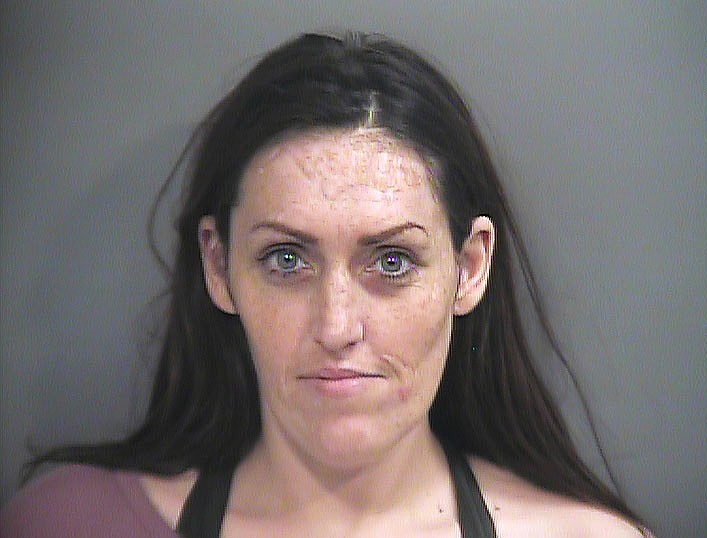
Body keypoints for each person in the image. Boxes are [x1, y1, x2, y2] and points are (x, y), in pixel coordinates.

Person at [1, 32, 653, 537]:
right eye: (286, 260)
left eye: (391, 262)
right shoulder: (66, 524)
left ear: (471, 268)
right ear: (218, 267)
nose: (337, 327)